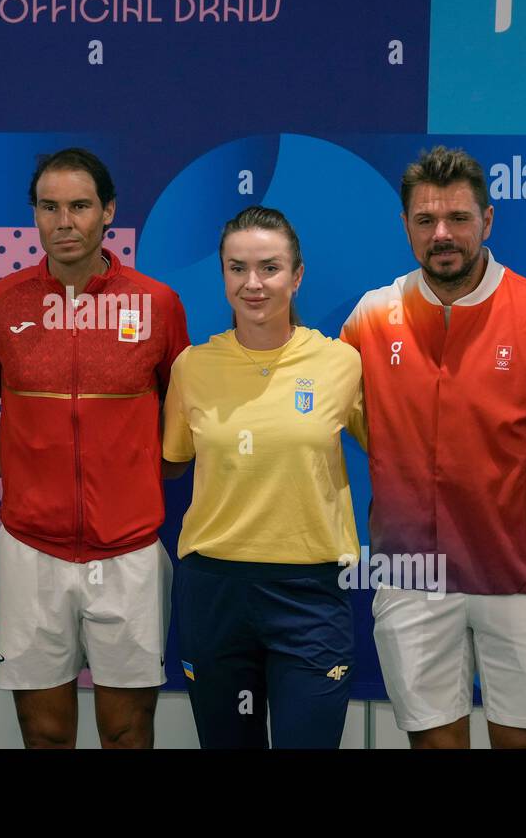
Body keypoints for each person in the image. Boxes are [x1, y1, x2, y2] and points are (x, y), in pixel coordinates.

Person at [340, 145, 526, 749]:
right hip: (412, 577)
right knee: (433, 744)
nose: (442, 234)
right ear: (405, 227)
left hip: (525, 581)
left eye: (458, 218)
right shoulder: (372, 318)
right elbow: (324, 413)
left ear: (489, 220)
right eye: (425, 221)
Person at [0, 147, 190, 748]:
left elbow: (182, 415)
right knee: (42, 733)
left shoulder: (157, 304)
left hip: (130, 553)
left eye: (79, 206)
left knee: (126, 730)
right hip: (30, 549)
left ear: (108, 211)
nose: (63, 221)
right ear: (35, 215)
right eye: (49, 207)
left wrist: (151, 469)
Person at [161, 206, 365, 748]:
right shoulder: (191, 367)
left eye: (269, 268)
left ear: (297, 276)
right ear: (223, 275)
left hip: (310, 592)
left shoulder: (342, 364)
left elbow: (401, 453)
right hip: (214, 591)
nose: (253, 284)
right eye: (237, 268)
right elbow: (173, 458)